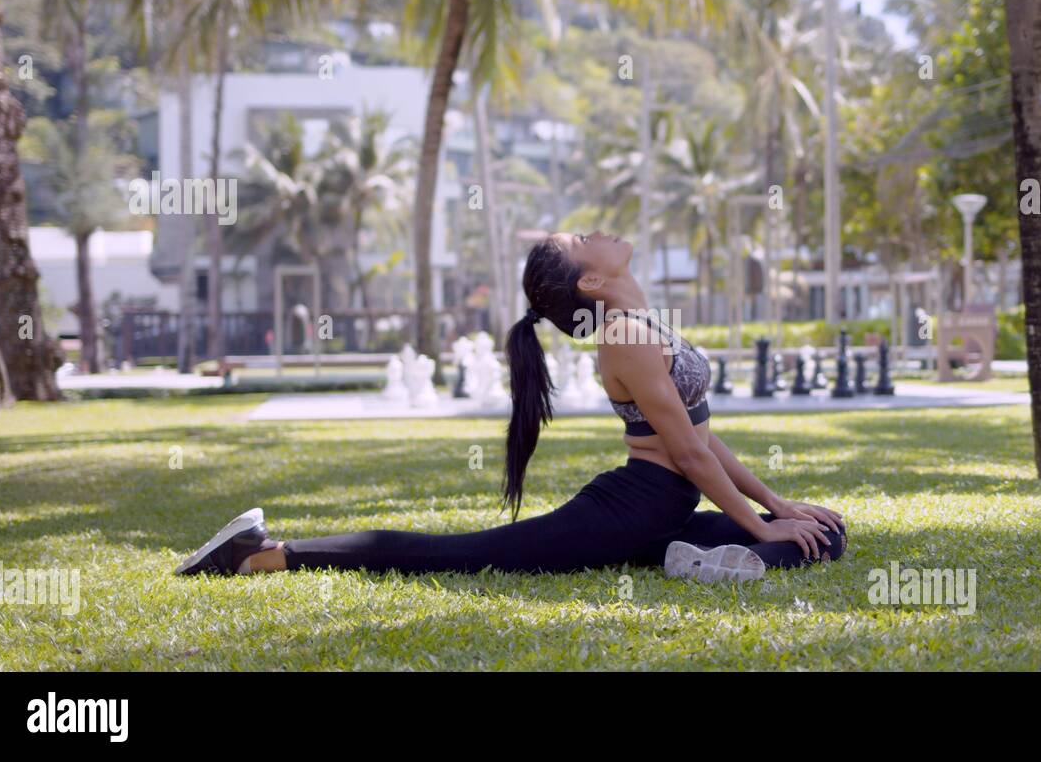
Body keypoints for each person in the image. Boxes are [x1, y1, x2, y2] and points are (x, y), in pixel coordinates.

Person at [177, 232, 846, 583]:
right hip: (629, 509)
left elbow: (702, 437)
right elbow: (691, 455)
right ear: (591, 280)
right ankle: (259, 555)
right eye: (584, 238)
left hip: (664, 512)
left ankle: (688, 556)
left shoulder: (645, 325)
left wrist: (781, 509)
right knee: (461, 555)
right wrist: (761, 526)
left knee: (825, 532)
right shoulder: (628, 337)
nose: (599, 230)